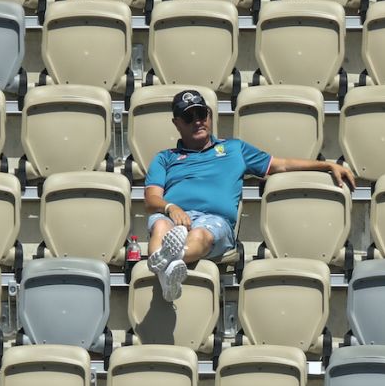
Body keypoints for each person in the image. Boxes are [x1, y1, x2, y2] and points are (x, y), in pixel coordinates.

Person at [144, 89, 356, 301]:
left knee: (199, 235)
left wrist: (326, 165)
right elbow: (152, 199)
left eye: (201, 114)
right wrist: (171, 207)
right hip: (172, 215)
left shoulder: (234, 148)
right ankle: (169, 271)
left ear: (209, 115)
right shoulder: (165, 158)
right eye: (189, 117)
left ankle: (168, 261)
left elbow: (280, 165)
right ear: (176, 123)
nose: (198, 121)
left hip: (214, 220)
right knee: (161, 226)